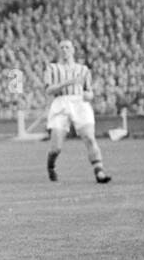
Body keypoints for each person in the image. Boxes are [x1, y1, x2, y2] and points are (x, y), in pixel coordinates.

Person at [44, 39, 110, 184]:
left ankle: (99, 172)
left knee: (89, 137)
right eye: (61, 47)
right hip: (60, 103)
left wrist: (89, 96)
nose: (64, 50)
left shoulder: (83, 69)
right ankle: (51, 166)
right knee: (56, 148)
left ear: (73, 50)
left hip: (80, 102)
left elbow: (90, 92)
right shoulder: (52, 68)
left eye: (67, 47)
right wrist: (67, 83)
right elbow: (48, 90)